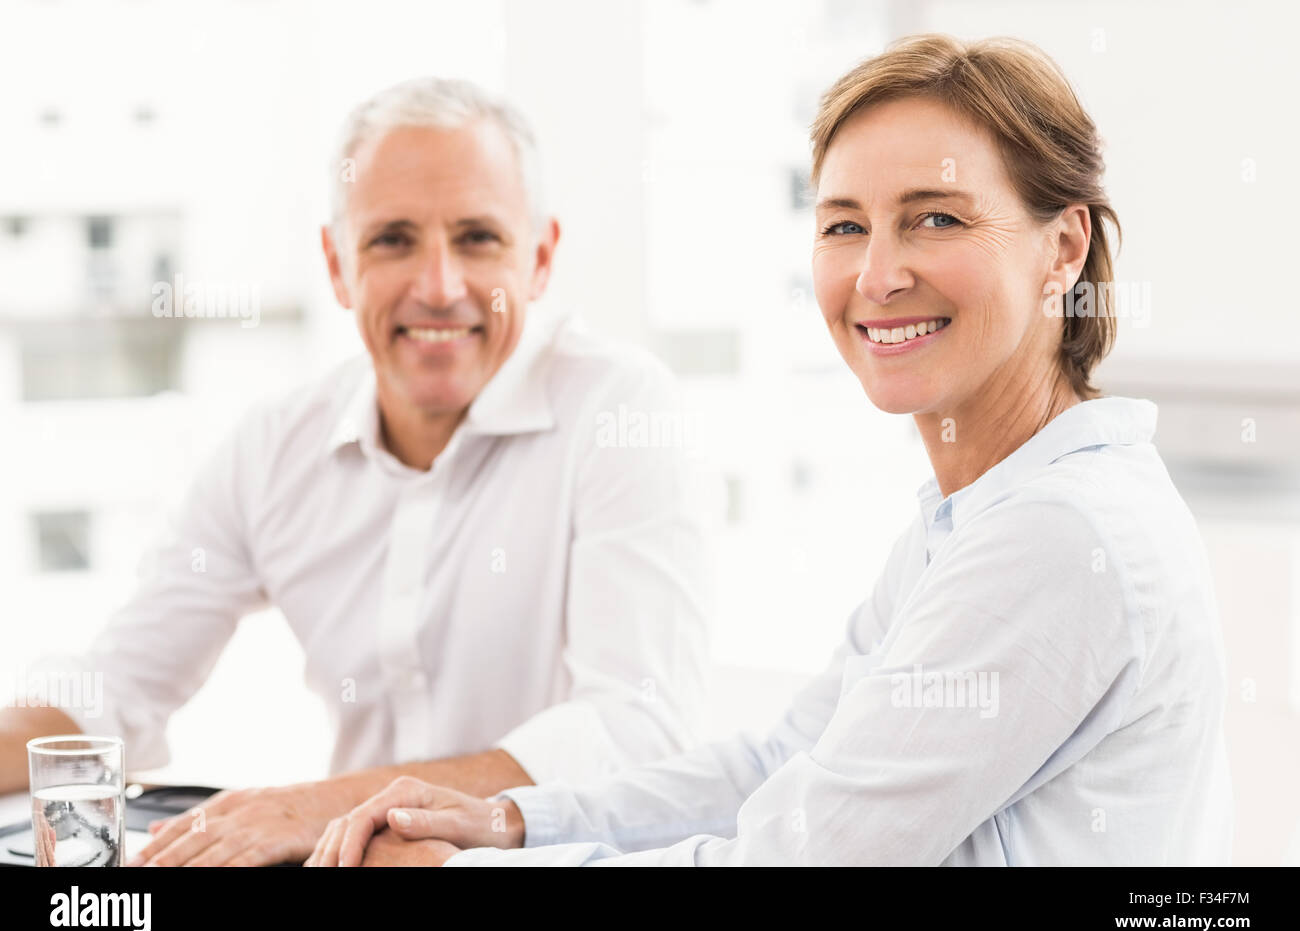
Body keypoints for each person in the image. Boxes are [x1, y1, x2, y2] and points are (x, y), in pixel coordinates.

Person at [306, 34, 1233, 867]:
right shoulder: (969, 519)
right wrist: (507, 819)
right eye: (843, 225)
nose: (877, 275)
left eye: (936, 217)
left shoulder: (1060, 535)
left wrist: (456, 871)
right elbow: (781, 763)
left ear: (1063, 246)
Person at [0, 77, 715, 867]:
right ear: (337, 265)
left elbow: (632, 732)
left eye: (478, 237)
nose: (439, 287)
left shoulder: (620, 410)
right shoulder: (275, 445)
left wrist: (318, 805)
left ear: (539, 258)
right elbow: (115, 689)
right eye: (393, 240)